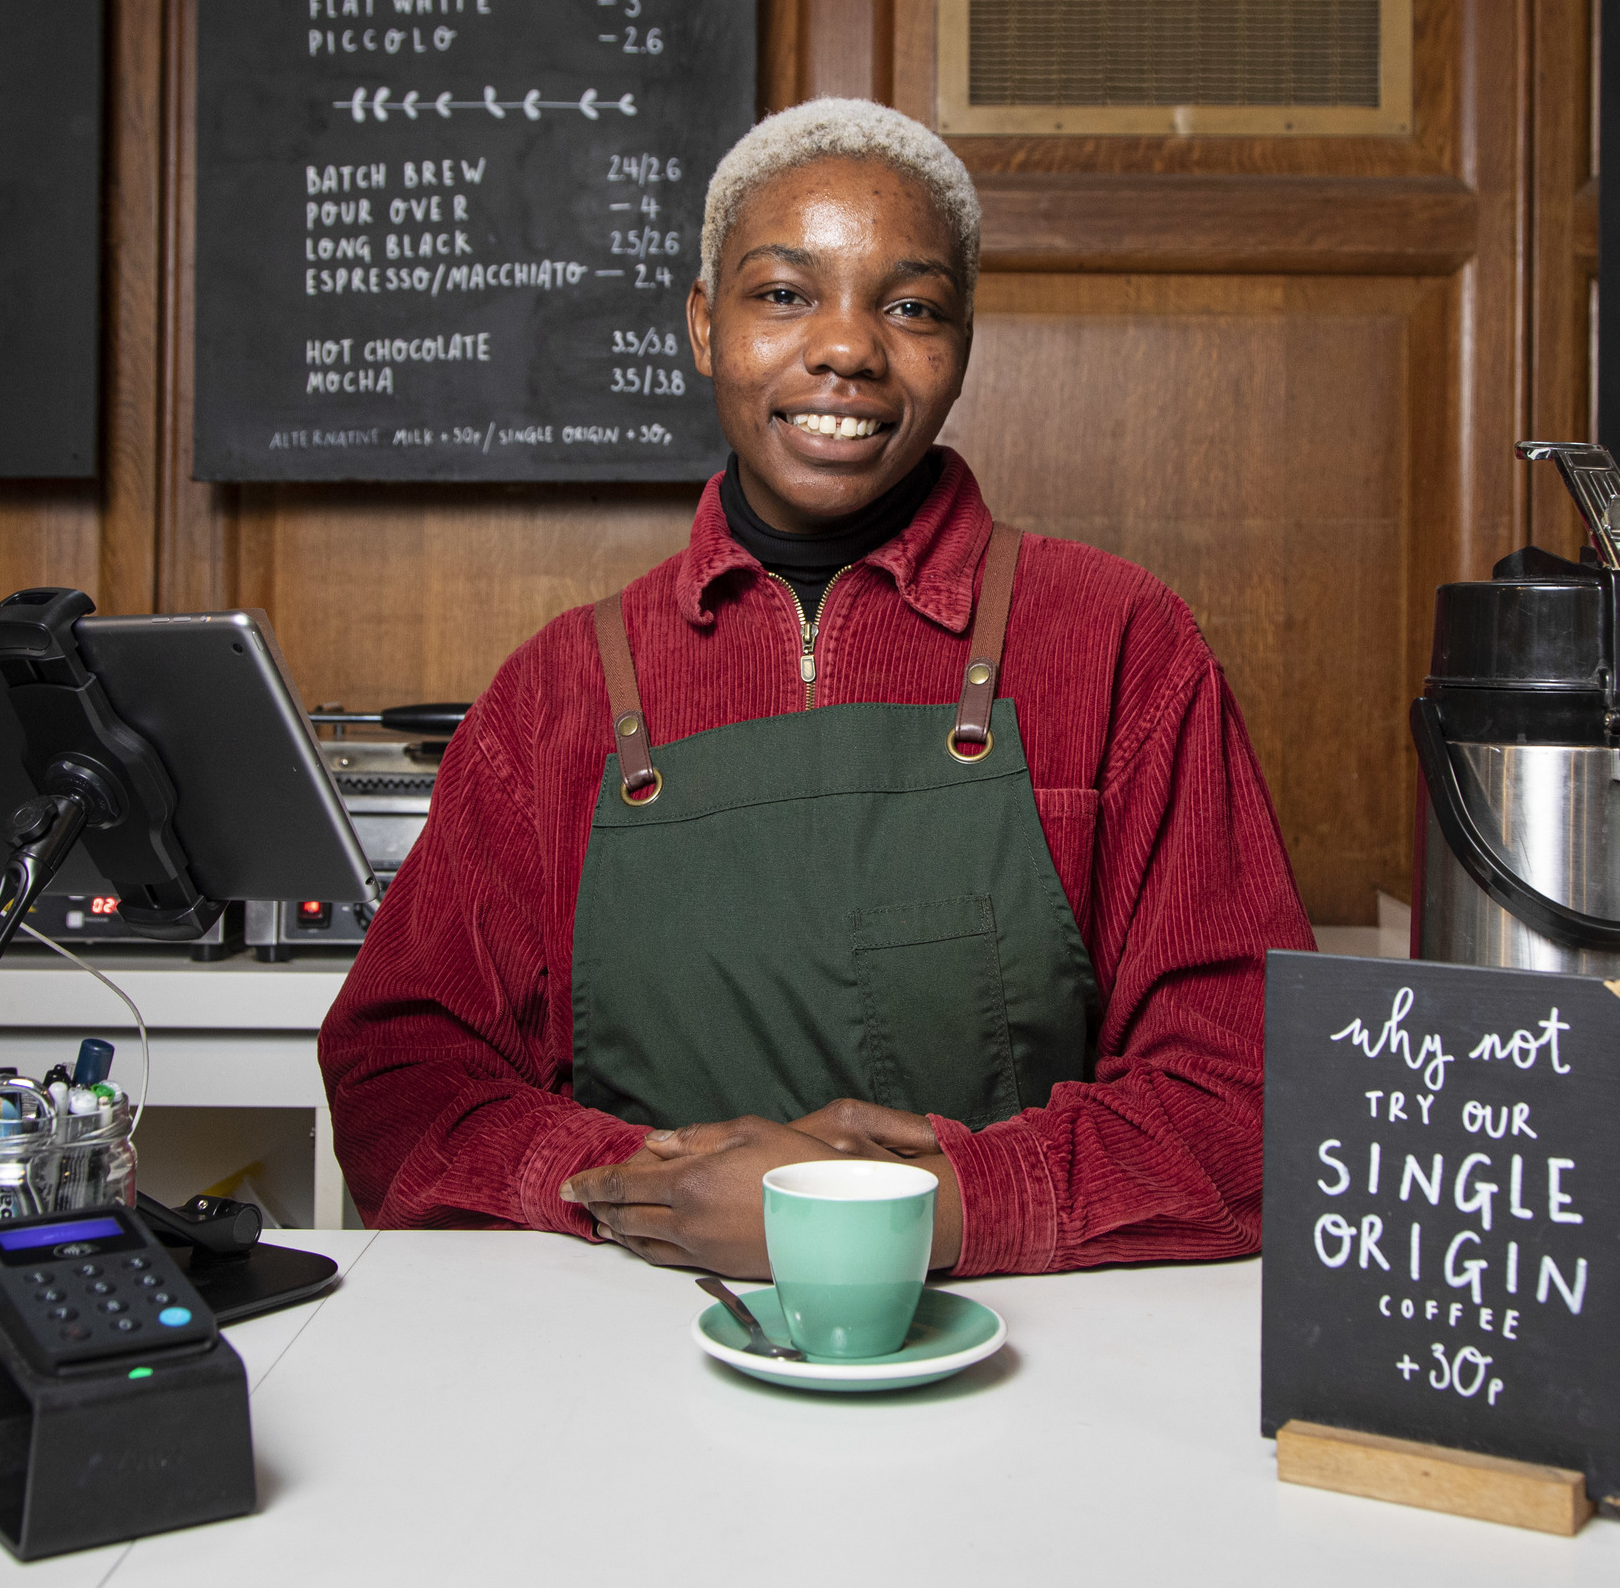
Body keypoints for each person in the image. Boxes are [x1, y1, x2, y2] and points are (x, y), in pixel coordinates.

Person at [318, 99, 1312, 1278]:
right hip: (618, 1375)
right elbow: (400, 1084)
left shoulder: (1117, 641)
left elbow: (1249, 1091)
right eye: (785, 293)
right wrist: (658, 1189)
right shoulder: (560, 688)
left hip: (1034, 1376)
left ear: (964, 341)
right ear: (702, 325)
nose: (847, 347)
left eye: (910, 305)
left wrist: (919, 1210)